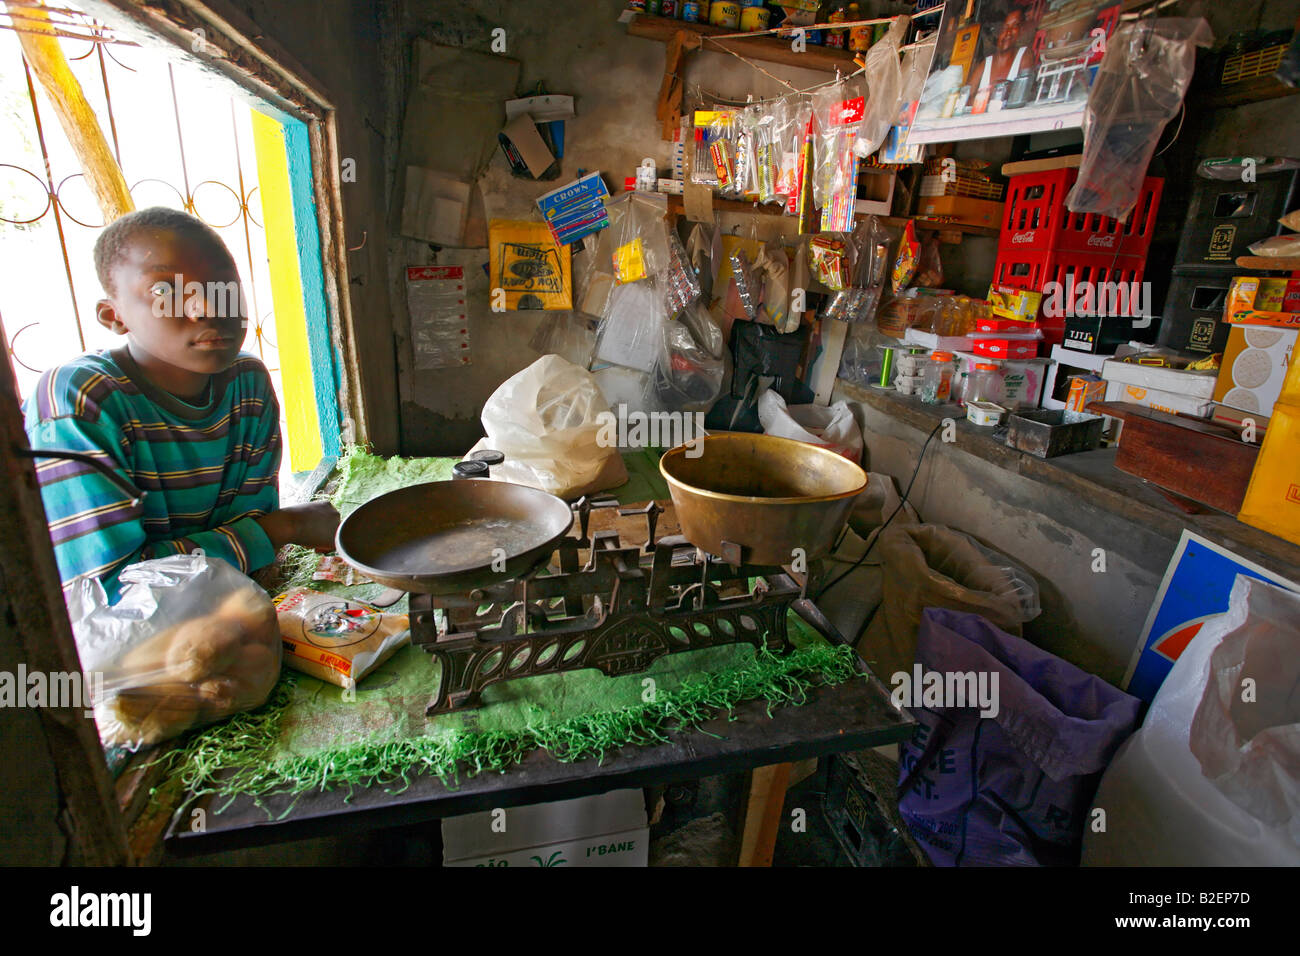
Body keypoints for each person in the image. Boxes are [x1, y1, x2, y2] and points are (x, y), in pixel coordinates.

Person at [23, 206, 339, 600]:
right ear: (114, 316)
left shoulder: (247, 385)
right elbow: (109, 591)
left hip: (219, 615)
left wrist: (263, 536)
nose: (207, 308)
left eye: (223, 286)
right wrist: (286, 528)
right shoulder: (79, 403)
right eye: (164, 290)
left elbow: (254, 554)